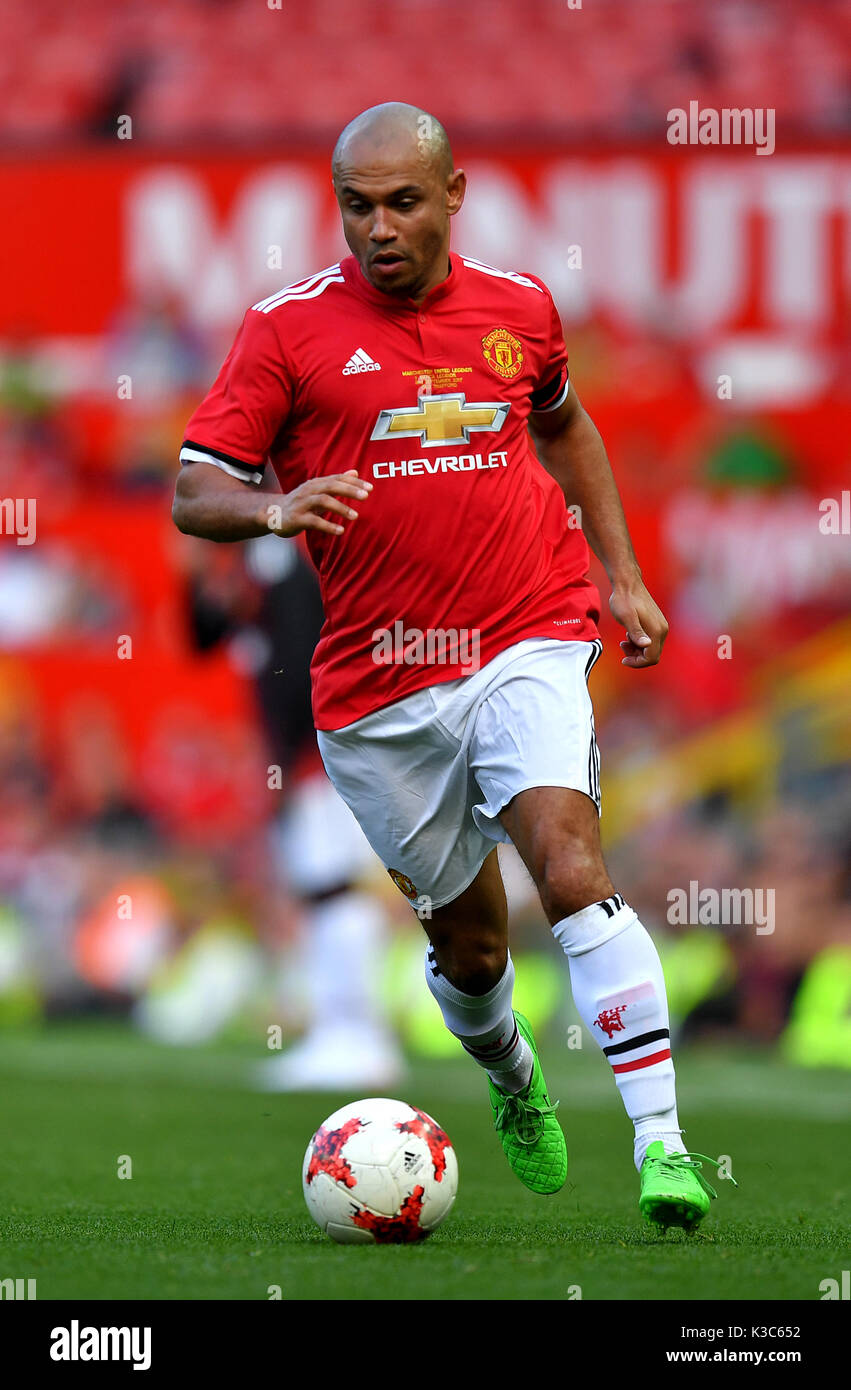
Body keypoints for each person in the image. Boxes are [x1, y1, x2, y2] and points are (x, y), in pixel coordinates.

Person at [172, 102, 734, 1230]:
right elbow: (195, 488)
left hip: (525, 629)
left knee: (569, 862)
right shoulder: (284, 332)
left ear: (453, 195)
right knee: (471, 950)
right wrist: (276, 507)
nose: (377, 227)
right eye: (356, 206)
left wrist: (618, 574)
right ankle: (513, 1078)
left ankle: (663, 1147)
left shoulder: (519, 307)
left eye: (401, 202)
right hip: (379, 692)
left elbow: (565, 424)